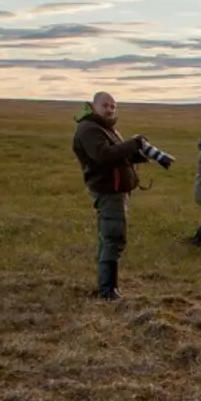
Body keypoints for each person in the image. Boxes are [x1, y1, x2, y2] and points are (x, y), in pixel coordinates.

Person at [71, 91, 148, 300]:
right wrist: (133, 143)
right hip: (108, 191)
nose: (110, 109)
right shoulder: (89, 129)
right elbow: (103, 155)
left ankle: (108, 287)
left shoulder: (105, 128)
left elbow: (115, 155)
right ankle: (108, 291)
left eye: (113, 106)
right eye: (105, 105)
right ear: (94, 106)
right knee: (113, 237)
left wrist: (139, 155)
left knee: (110, 237)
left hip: (115, 190)